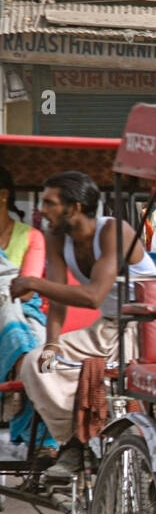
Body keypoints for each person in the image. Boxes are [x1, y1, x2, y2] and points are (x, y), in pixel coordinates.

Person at [12, 172, 156, 480]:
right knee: (37, 365)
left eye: (50, 203)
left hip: (145, 329)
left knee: (106, 376)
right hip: (107, 329)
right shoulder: (55, 235)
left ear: (75, 207)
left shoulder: (114, 231)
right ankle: (74, 441)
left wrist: (32, 282)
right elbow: (58, 296)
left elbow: (93, 297)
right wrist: (52, 345)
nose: (43, 210)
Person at [1, 166, 49, 446]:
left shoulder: (32, 236)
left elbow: (28, 288)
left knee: (12, 309)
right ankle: (23, 369)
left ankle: (22, 368)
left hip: (23, 312)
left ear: (3, 196)